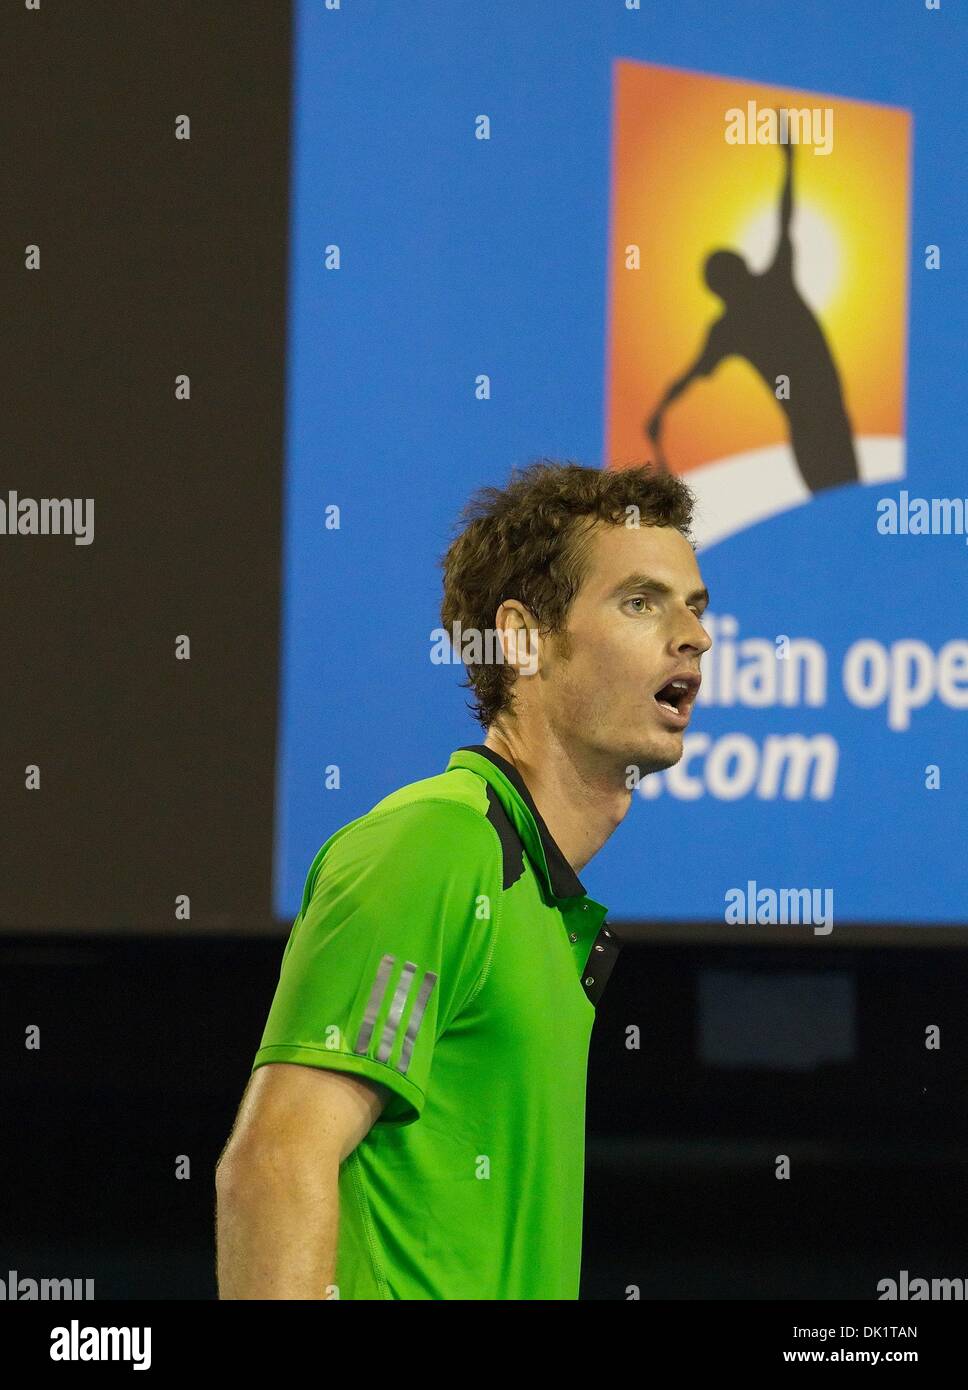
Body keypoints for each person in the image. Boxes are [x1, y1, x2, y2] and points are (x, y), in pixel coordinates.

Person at [215, 459, 712, 1299]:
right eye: (640, 602)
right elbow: (274, 1163)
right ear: (520, 637)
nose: (694, 635)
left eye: (696, 608)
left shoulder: (545, 903)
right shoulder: (437, 844)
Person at [646, 137, 859, 495]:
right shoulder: (738, 320)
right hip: (814, 431)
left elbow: (785, 217)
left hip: (823, 426)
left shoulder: (753, 305)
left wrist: (659, 411)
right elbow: (689, 375)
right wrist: (660, 411)